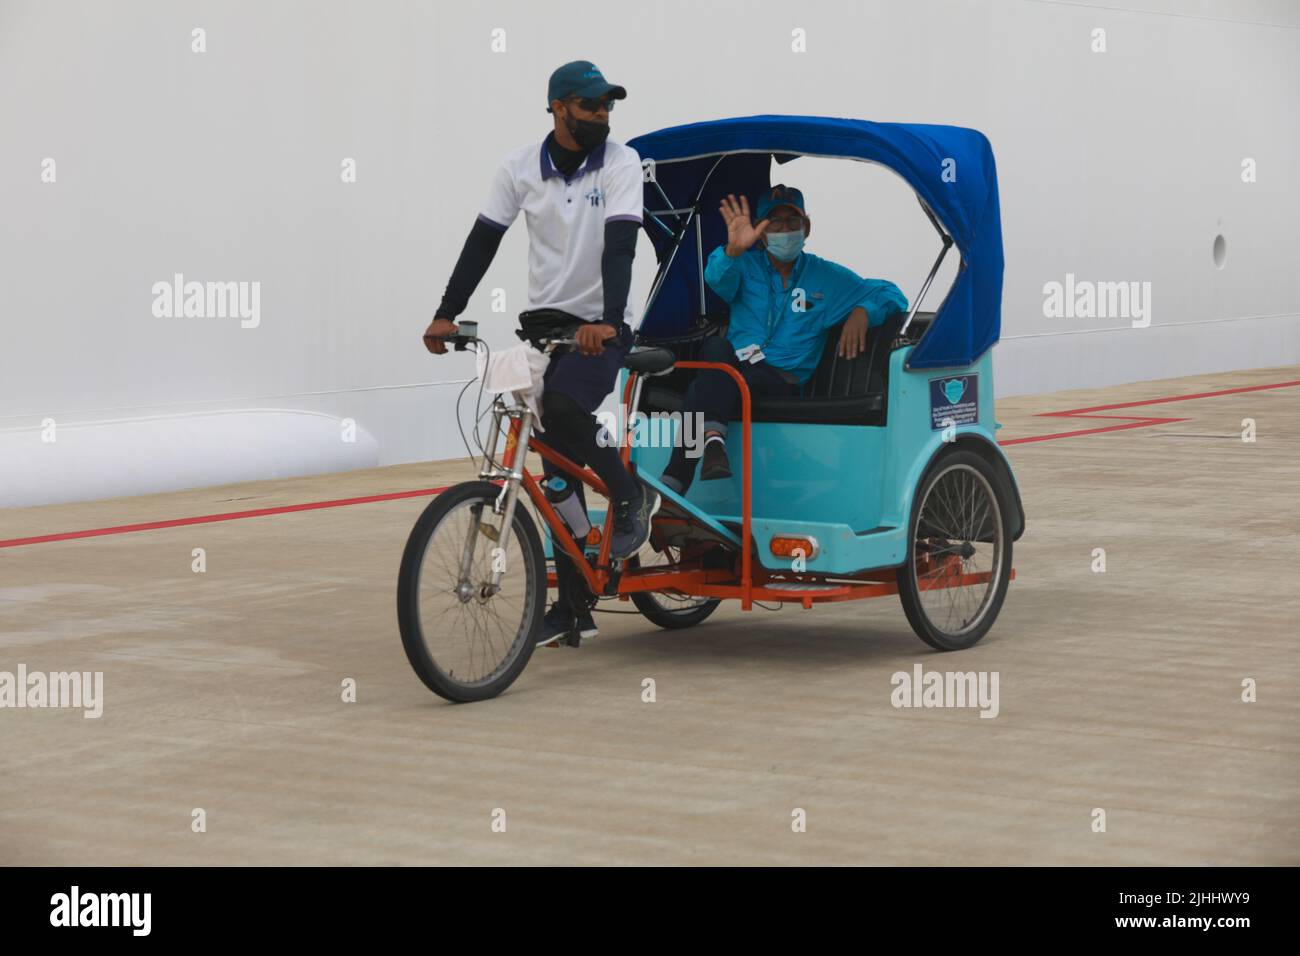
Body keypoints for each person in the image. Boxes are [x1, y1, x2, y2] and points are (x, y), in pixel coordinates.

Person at [423, 60, 659, 645]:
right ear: (557, 108)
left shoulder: (623, 163)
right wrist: (446, 312)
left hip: (604, 329)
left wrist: (607, 322)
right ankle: (574, 608)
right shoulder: (519, 167)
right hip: (547, 329)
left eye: (607, 106)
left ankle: (630, 499)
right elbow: (482, 242)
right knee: (554, 471)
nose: (601, 116)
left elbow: (621, 247)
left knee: (564, 407)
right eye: (589, 106)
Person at [659, 184, 908, 494]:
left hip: (780, 379)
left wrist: (863, 312)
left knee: (708, 382)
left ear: (807, 227)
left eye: (793, 222)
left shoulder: (826, 276)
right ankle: (711, 444)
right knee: (715, 351)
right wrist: (734, 250)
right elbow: (715, 278)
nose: (785, 229)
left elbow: (892, 294)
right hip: (733, 367)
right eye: (774, 223)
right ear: (761, 231)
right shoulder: (743, 265)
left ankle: (676, 478)